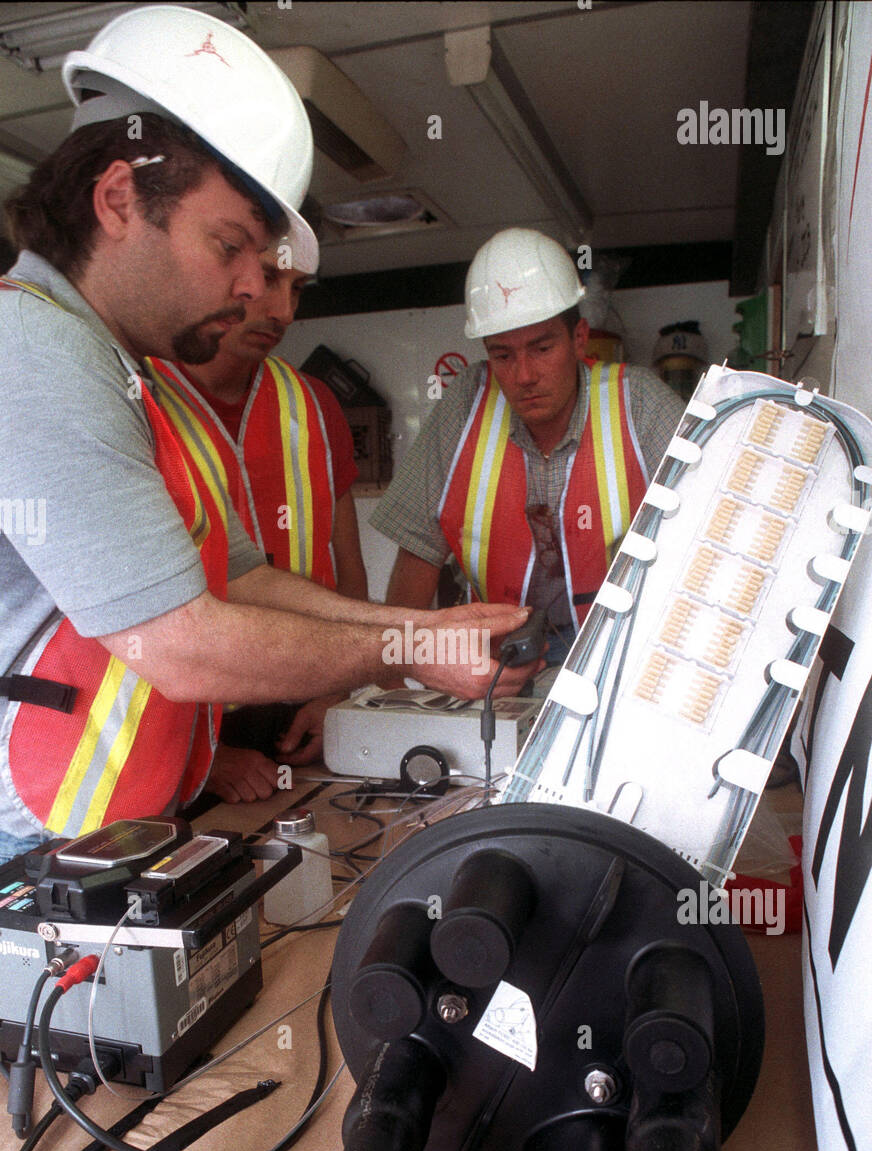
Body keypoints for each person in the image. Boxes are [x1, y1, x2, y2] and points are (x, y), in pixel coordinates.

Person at [0, 8, 533, 865]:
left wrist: (412, 627)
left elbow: (242, 579)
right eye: (230, 245)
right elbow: (177, 644)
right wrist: (409, 647)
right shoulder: (30, 352)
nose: (255, 287)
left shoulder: (140, 378)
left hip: (114, 836)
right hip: (26, 850)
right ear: (117, 200)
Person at [371, 229, 687, 665]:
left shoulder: (640, 402)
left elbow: (708, 536)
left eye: (541, 348)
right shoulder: (465, 406)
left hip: (620, 652)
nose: (523, 375)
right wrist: (391, 683)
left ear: (578, 338)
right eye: (502, 355)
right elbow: (417, 552)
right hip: (501, 659)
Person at [148, 240, 368, 801]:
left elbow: (349, 570)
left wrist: (337, 693)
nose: (283, 311)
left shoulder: (316, 403)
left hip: (303, 710)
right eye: (269, 278)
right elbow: (110, 613)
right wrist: (208, 759)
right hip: (182, 724)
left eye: (297, 289)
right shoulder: (138, 396)